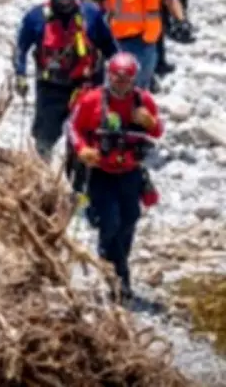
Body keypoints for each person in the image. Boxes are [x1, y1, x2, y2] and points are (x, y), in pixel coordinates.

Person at [68, 52, 163, 301]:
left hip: (130, 172)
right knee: (109, 221)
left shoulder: (144, 101)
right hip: (101, 172)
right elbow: (73, 127)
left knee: (129, 219)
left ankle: (111, 259)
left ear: (134, 79)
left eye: (126, 79)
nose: (120, 84)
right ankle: (120, 279)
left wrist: (150, 122)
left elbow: (158, 131)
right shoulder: (92, 100)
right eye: (116, 78)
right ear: (109, 76)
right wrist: (83, 150)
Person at [14, 0, 119, 162]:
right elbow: (20, 48)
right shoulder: (35, 18)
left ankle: (81, 179)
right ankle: (42, 175)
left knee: (88, 137)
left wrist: (119, 77)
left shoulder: (91, 14)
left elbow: (109, 47)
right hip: (51, 88)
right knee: (44, 139)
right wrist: (20, 75)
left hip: (87, 86)